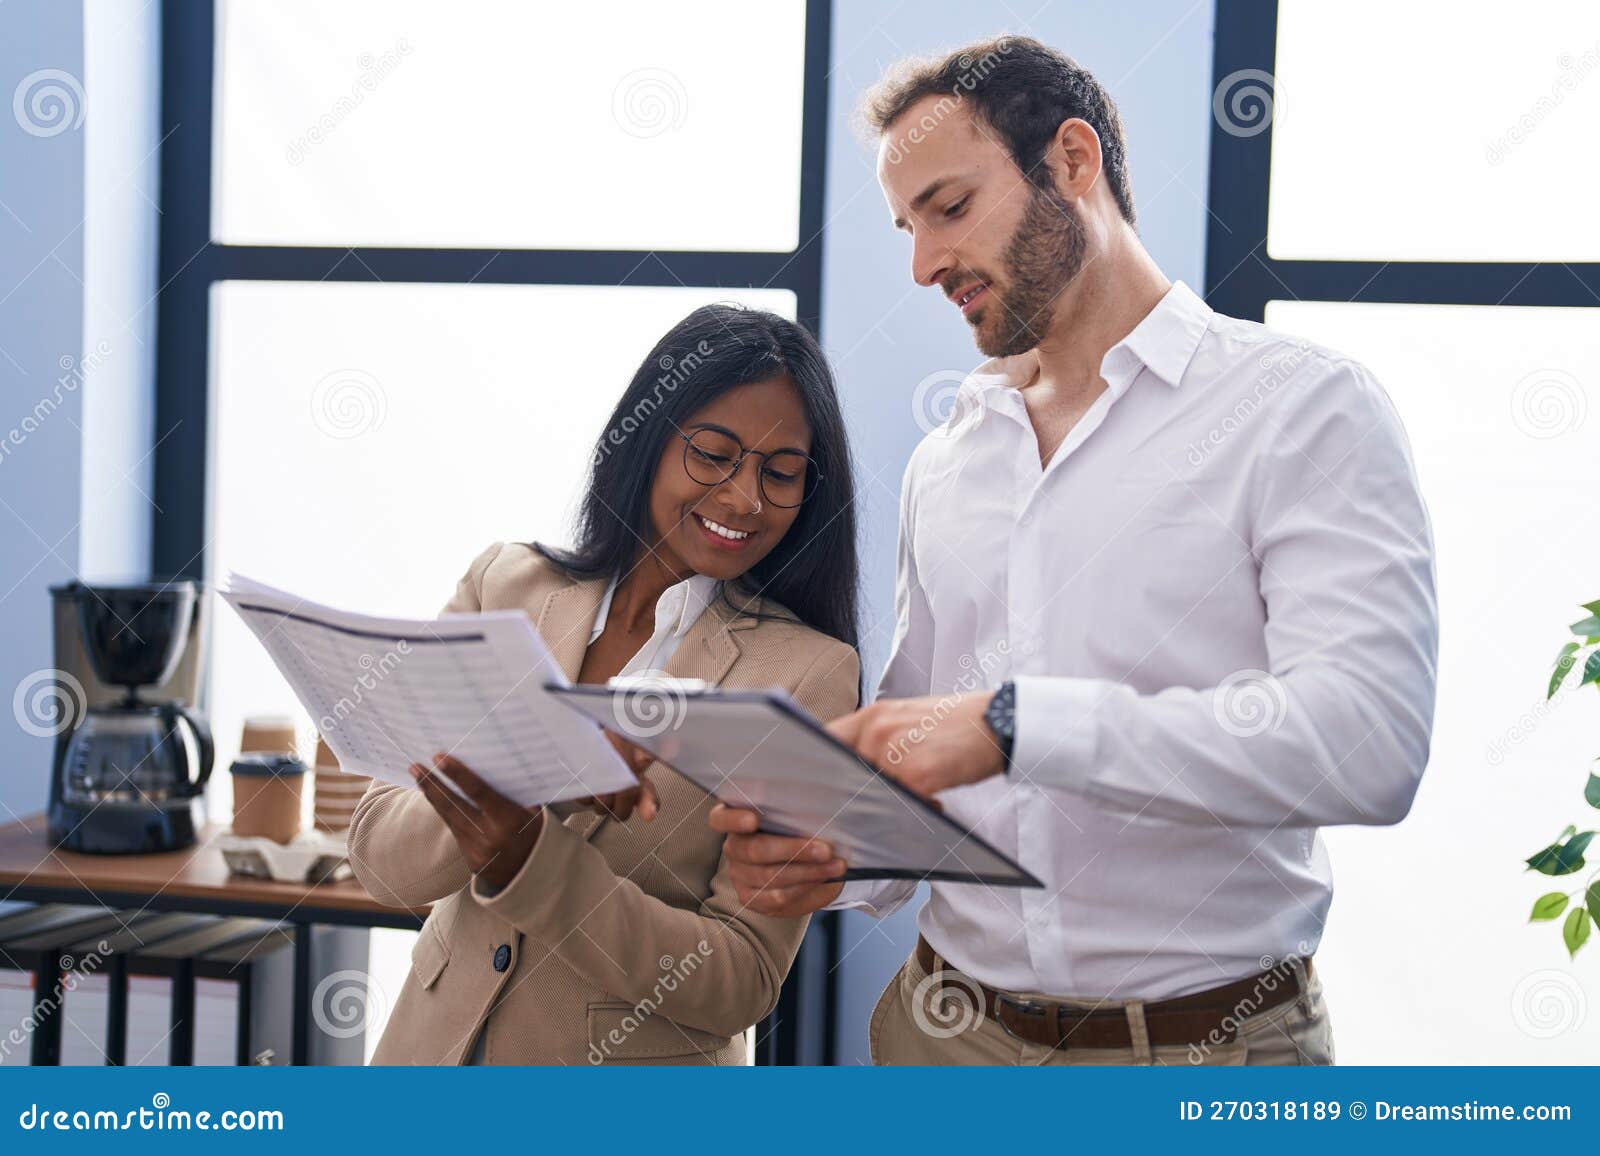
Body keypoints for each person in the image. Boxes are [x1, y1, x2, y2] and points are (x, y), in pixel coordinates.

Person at [711, 37, 1438, 1066]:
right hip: (940, 1037)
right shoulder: (949, 457)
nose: (923, 265)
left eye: (949, 207)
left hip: (1204, 1055)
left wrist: (1020, 725)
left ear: (1072, 160)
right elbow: (930, 744)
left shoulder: (1303, 409)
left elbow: (1366, 745)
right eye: (907, 228)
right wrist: (832, 850)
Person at [349, 304, 861, 1065]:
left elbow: (742, 976)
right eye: (714, 454)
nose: (744, 497)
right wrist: (523, 774)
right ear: (649, 440)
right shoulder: (506, 586)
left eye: (780, 472)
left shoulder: (809, 675)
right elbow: (381, 863)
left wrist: (535, 867)